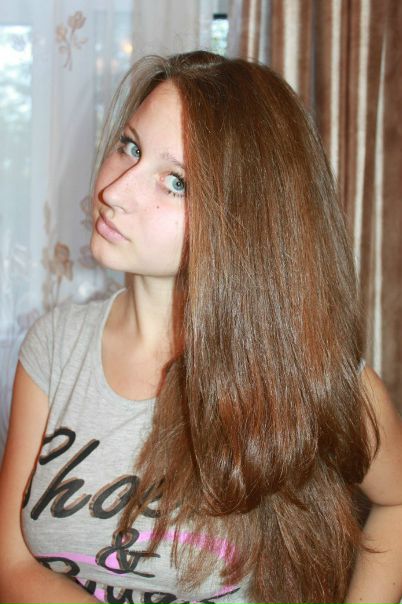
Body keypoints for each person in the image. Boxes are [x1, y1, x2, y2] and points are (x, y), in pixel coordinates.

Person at [0, 50, 401, 604]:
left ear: (247, 219)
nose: (114, 191)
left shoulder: (303, 366)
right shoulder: (55, 347)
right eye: (130, 147)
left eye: (176, 182)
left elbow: (397, 501)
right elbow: (11, 564)